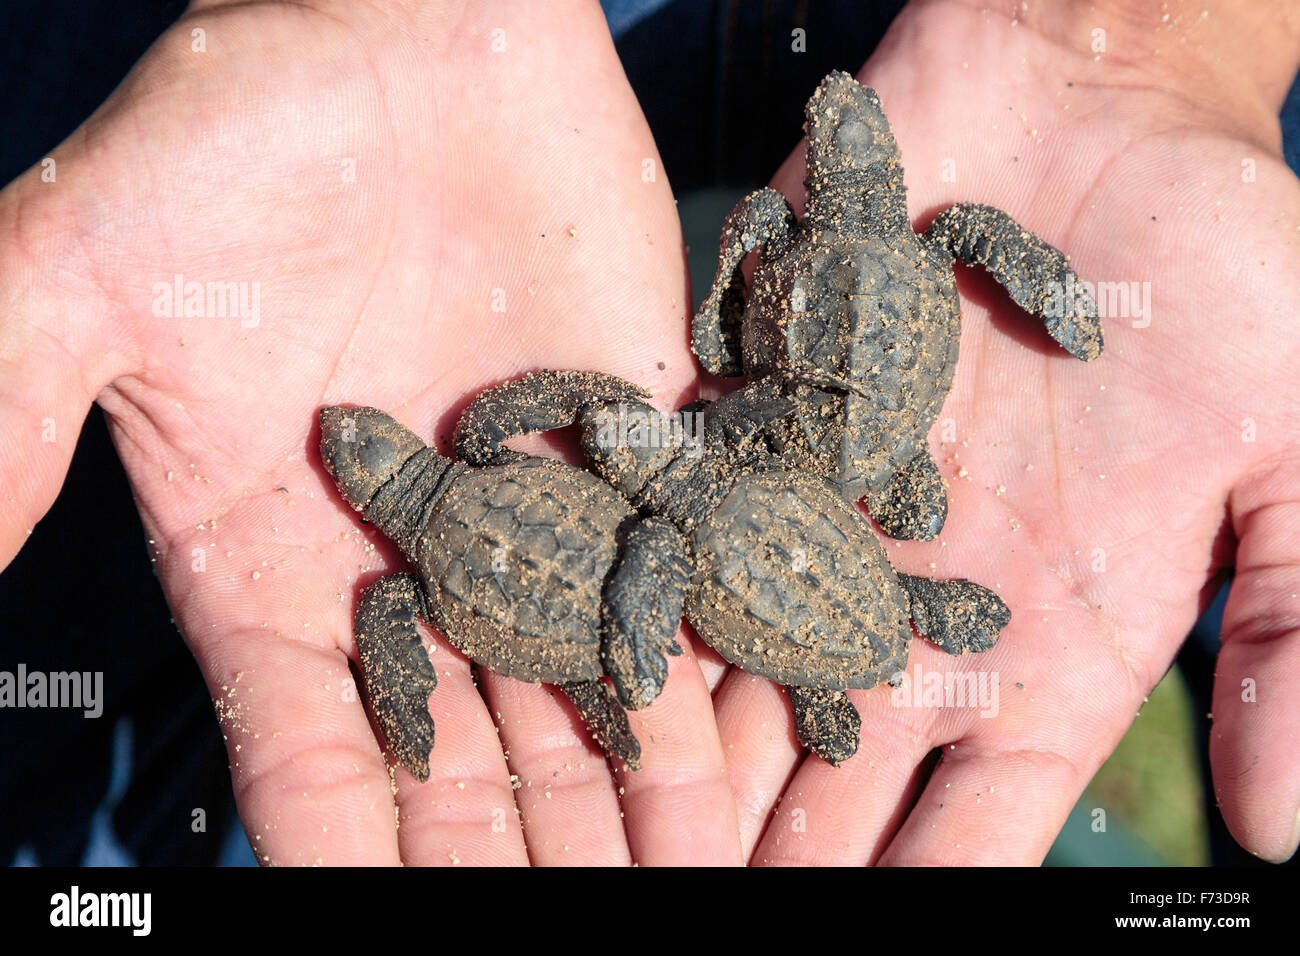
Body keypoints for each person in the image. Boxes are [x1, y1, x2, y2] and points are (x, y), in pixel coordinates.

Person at [0, 0, 1296, 865]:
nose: (832, 105)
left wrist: (1142, 44)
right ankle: (881, 620)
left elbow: (672, 490)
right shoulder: (919, 253)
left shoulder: (652, 478)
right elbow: (659, 514)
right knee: (140, 719)